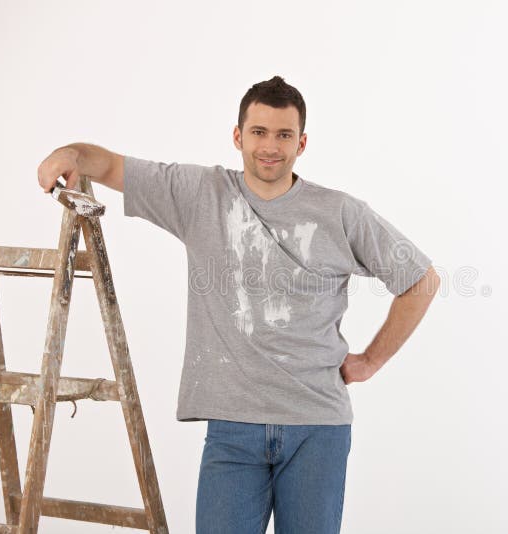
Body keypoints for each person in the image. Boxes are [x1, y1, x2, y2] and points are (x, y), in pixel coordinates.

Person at [37, 75, 440, 533]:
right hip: (233, 430)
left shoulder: (341, 212)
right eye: (259, 132)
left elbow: (421, 280)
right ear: (238, 136)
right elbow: (109, 166)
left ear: (302, 143)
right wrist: (68, 155)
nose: (271, 146)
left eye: (284, 135)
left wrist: (371, 360)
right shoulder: (199, 194)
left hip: (317, 428)